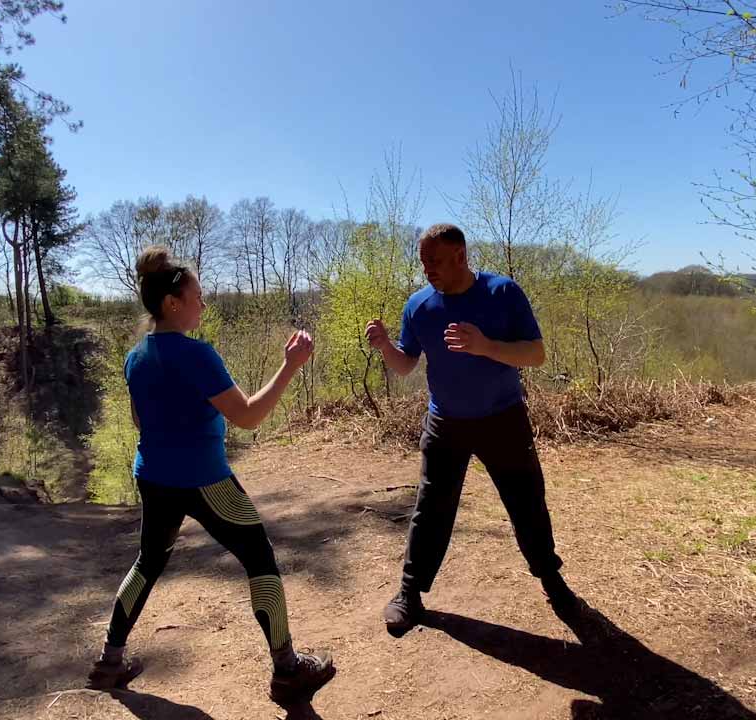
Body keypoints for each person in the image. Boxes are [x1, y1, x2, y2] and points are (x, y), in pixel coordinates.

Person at [87, 245, 335, 705]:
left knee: (147, 562)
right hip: (205, 481)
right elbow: (249, 417)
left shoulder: (135, 357)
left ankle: (109, 662)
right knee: (260, 560)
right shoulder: (198, 355)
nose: (204, 304)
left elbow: (141, 423)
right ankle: (287, 672)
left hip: (153, 476)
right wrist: (290, 366)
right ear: (172, 303)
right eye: (198, 296)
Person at [365, 223, 582, 637]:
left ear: (461, 255)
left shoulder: (502, 293)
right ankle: (409, 593)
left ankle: (552, 581)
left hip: (503, 419)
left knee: (526, 502)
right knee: (431, 508)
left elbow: (535, 354)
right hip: (445, 422)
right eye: (423, 261)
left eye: (436, 261)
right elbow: (407, 365)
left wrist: (486, 346)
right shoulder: (419, 306)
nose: (427, 269)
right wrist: (385, 347)